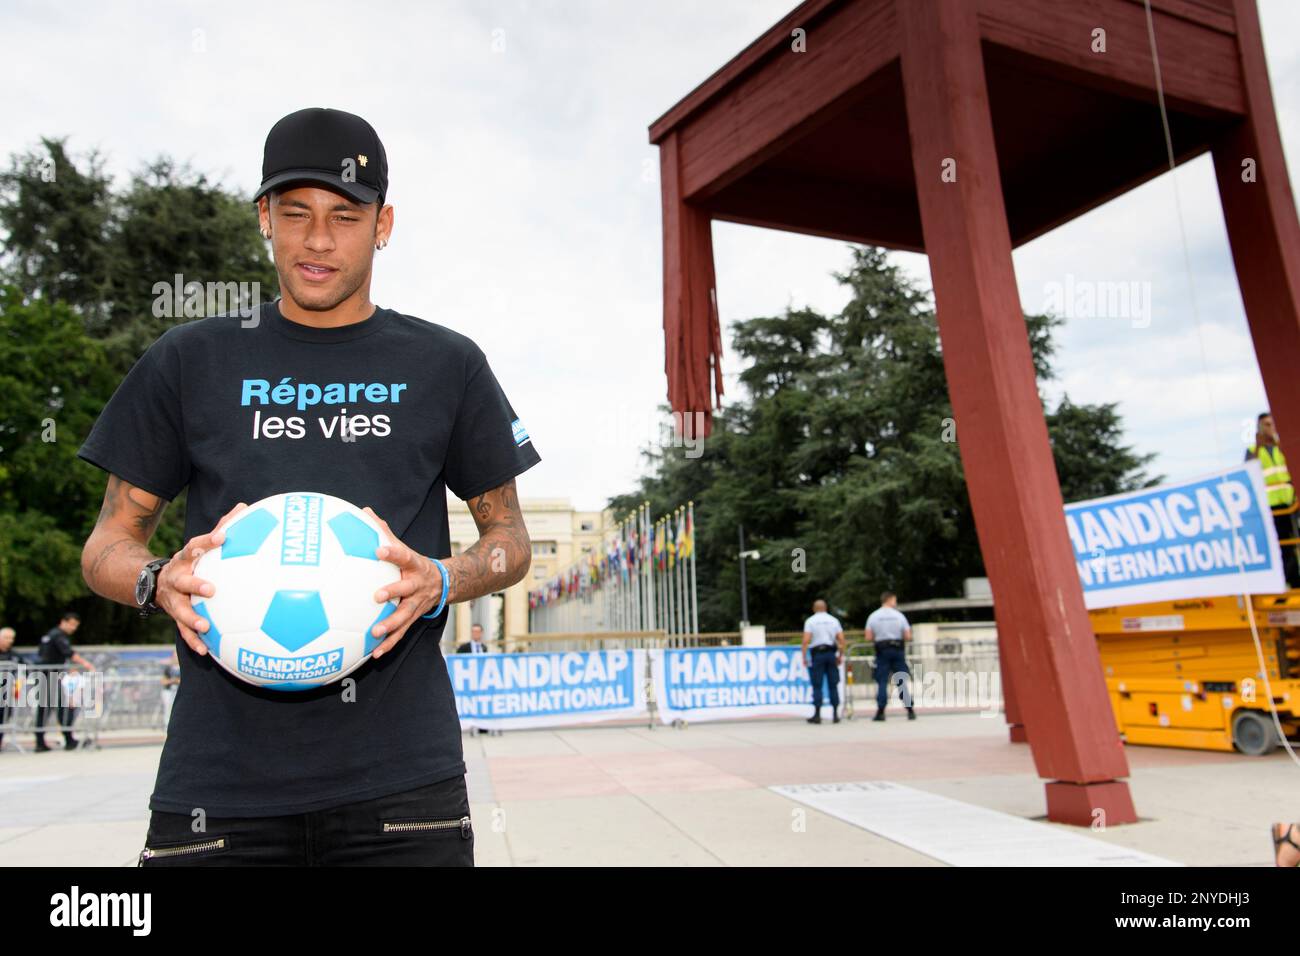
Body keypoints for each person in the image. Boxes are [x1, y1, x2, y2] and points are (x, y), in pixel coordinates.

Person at [76, 108, 540, 867]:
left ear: (382, 223)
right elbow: (105, 547)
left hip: (402, 790)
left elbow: (511, 543)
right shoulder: (189, 359)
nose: (318, 240)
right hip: (217, 787)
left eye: (344, 216)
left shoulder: (445, 364)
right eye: (296, 214)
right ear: (265, 217)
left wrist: (442, 580)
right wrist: (157, 579)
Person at [1246, 412, 1300, 589]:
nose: (1270, 428)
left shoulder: (1282, 446)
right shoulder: (1254, 451)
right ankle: (1292, 581)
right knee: (1284, 547)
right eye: (1266, 425)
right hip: (1272, 506)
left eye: (1272, 424)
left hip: (1291, 502)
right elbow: (1249, 473)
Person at [33, 612, 96, 751]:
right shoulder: (59, 635)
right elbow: (69, 653)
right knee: (62, 707)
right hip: (50, 676)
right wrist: (87, 664)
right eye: (72, 624)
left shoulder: (50, 634)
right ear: (64, 622)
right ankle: (66, 739)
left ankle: (42, 741)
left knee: (46, 708)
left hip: (45, 675)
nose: (73, 628)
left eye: (76, 626)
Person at [866, 591, 914, 722]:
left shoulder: (873, 616)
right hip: (898, 651)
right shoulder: (899, 616)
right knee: (901, 680)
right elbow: (907, 636)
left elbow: (868, 636)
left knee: (881, 681)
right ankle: (910, 710)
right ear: (890, 599)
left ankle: (880, 711)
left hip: (882, 651)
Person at [801, 600, 845, 724]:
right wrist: (840, 656)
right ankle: (835, 715)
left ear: (814, 608)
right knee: (833, 684)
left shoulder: (810, 621)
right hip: (831, 654)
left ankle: (817, 714)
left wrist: (804, 657)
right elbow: (841, 640)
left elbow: (805, 641)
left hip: (818, 655)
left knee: (817, 685)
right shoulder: (834, 620)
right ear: (826, 608)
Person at [0, 627, 23, 752]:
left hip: (7, 692)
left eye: (11, 638)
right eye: (6, 637)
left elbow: (24, 668)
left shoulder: (14, 655)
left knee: (4, 717)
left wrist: (17, 685)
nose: (9, 641)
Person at [160, 649, 180, 731]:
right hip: (168, 691)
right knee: (168, 707)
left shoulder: (183, 668)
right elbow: (163, 681)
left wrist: (176, 680)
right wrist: (172, 680)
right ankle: (167, 726)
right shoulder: (168, 669)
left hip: (178, 691)